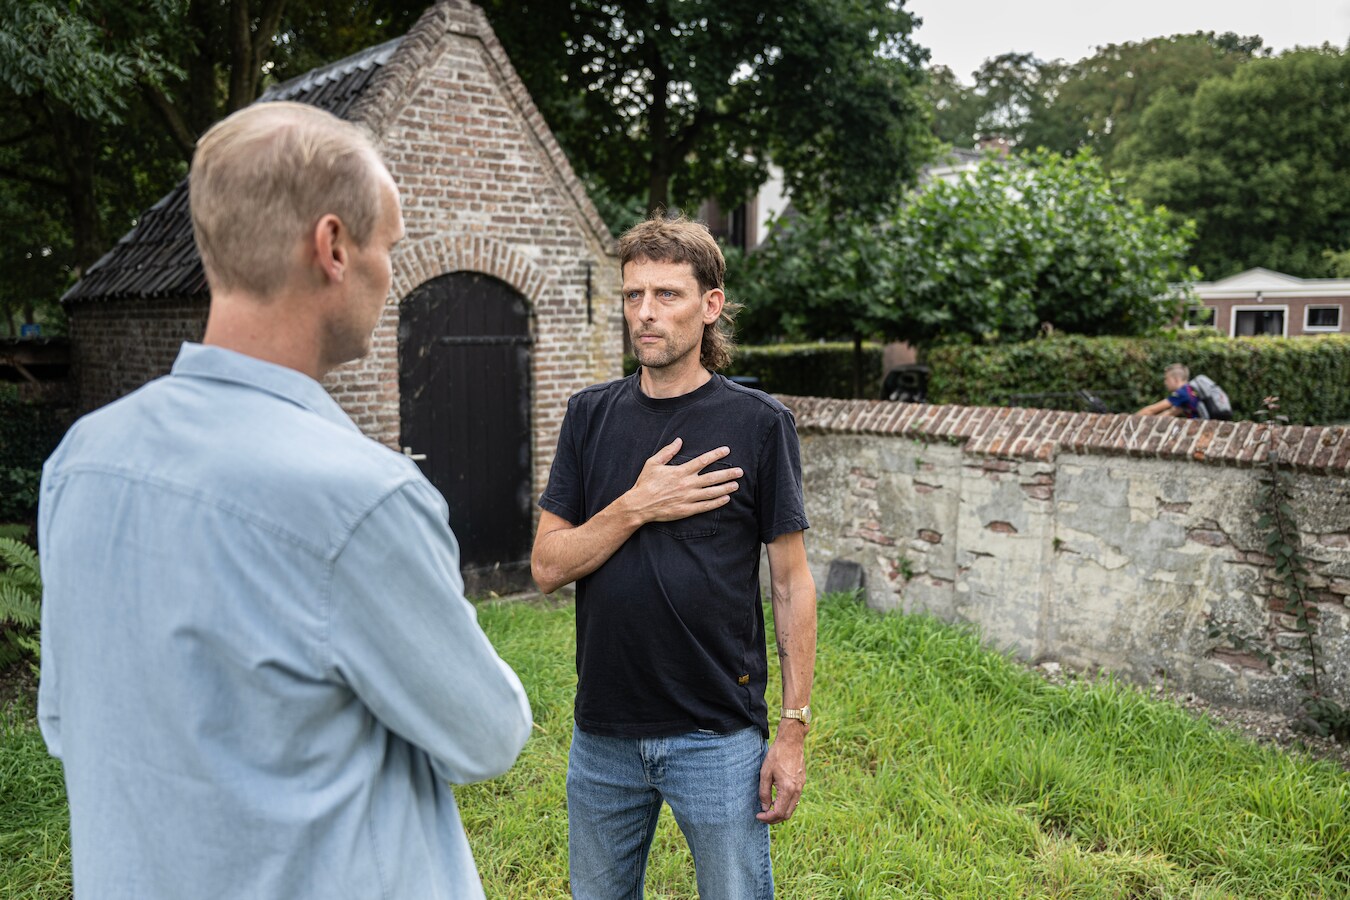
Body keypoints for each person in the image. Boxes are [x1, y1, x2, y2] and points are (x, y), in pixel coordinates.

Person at [38, 101, 532, 899]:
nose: (389, 274)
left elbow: (67, 722)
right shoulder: (360, 499)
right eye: (389, 247)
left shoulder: (81, 462)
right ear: (333, 246)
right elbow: (488, 735)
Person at [532, 213, 818, 899]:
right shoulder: (589, 415)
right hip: (604, 732)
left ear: (710, 305)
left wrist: (793, 729)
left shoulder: (758, 424)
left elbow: (790, 583)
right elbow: (547, 566)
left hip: (717, 734)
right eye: (633, 295)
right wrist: (638, 504)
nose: (645, 314)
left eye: (667, 295)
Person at [1137, 362, 1202, 417]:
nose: (1165, 382)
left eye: (1167, 379)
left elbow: (1152, 410)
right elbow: (1170, 413)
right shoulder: (1189, 390)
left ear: (1176, 379)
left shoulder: (1182, 393)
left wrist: (1130, 420)